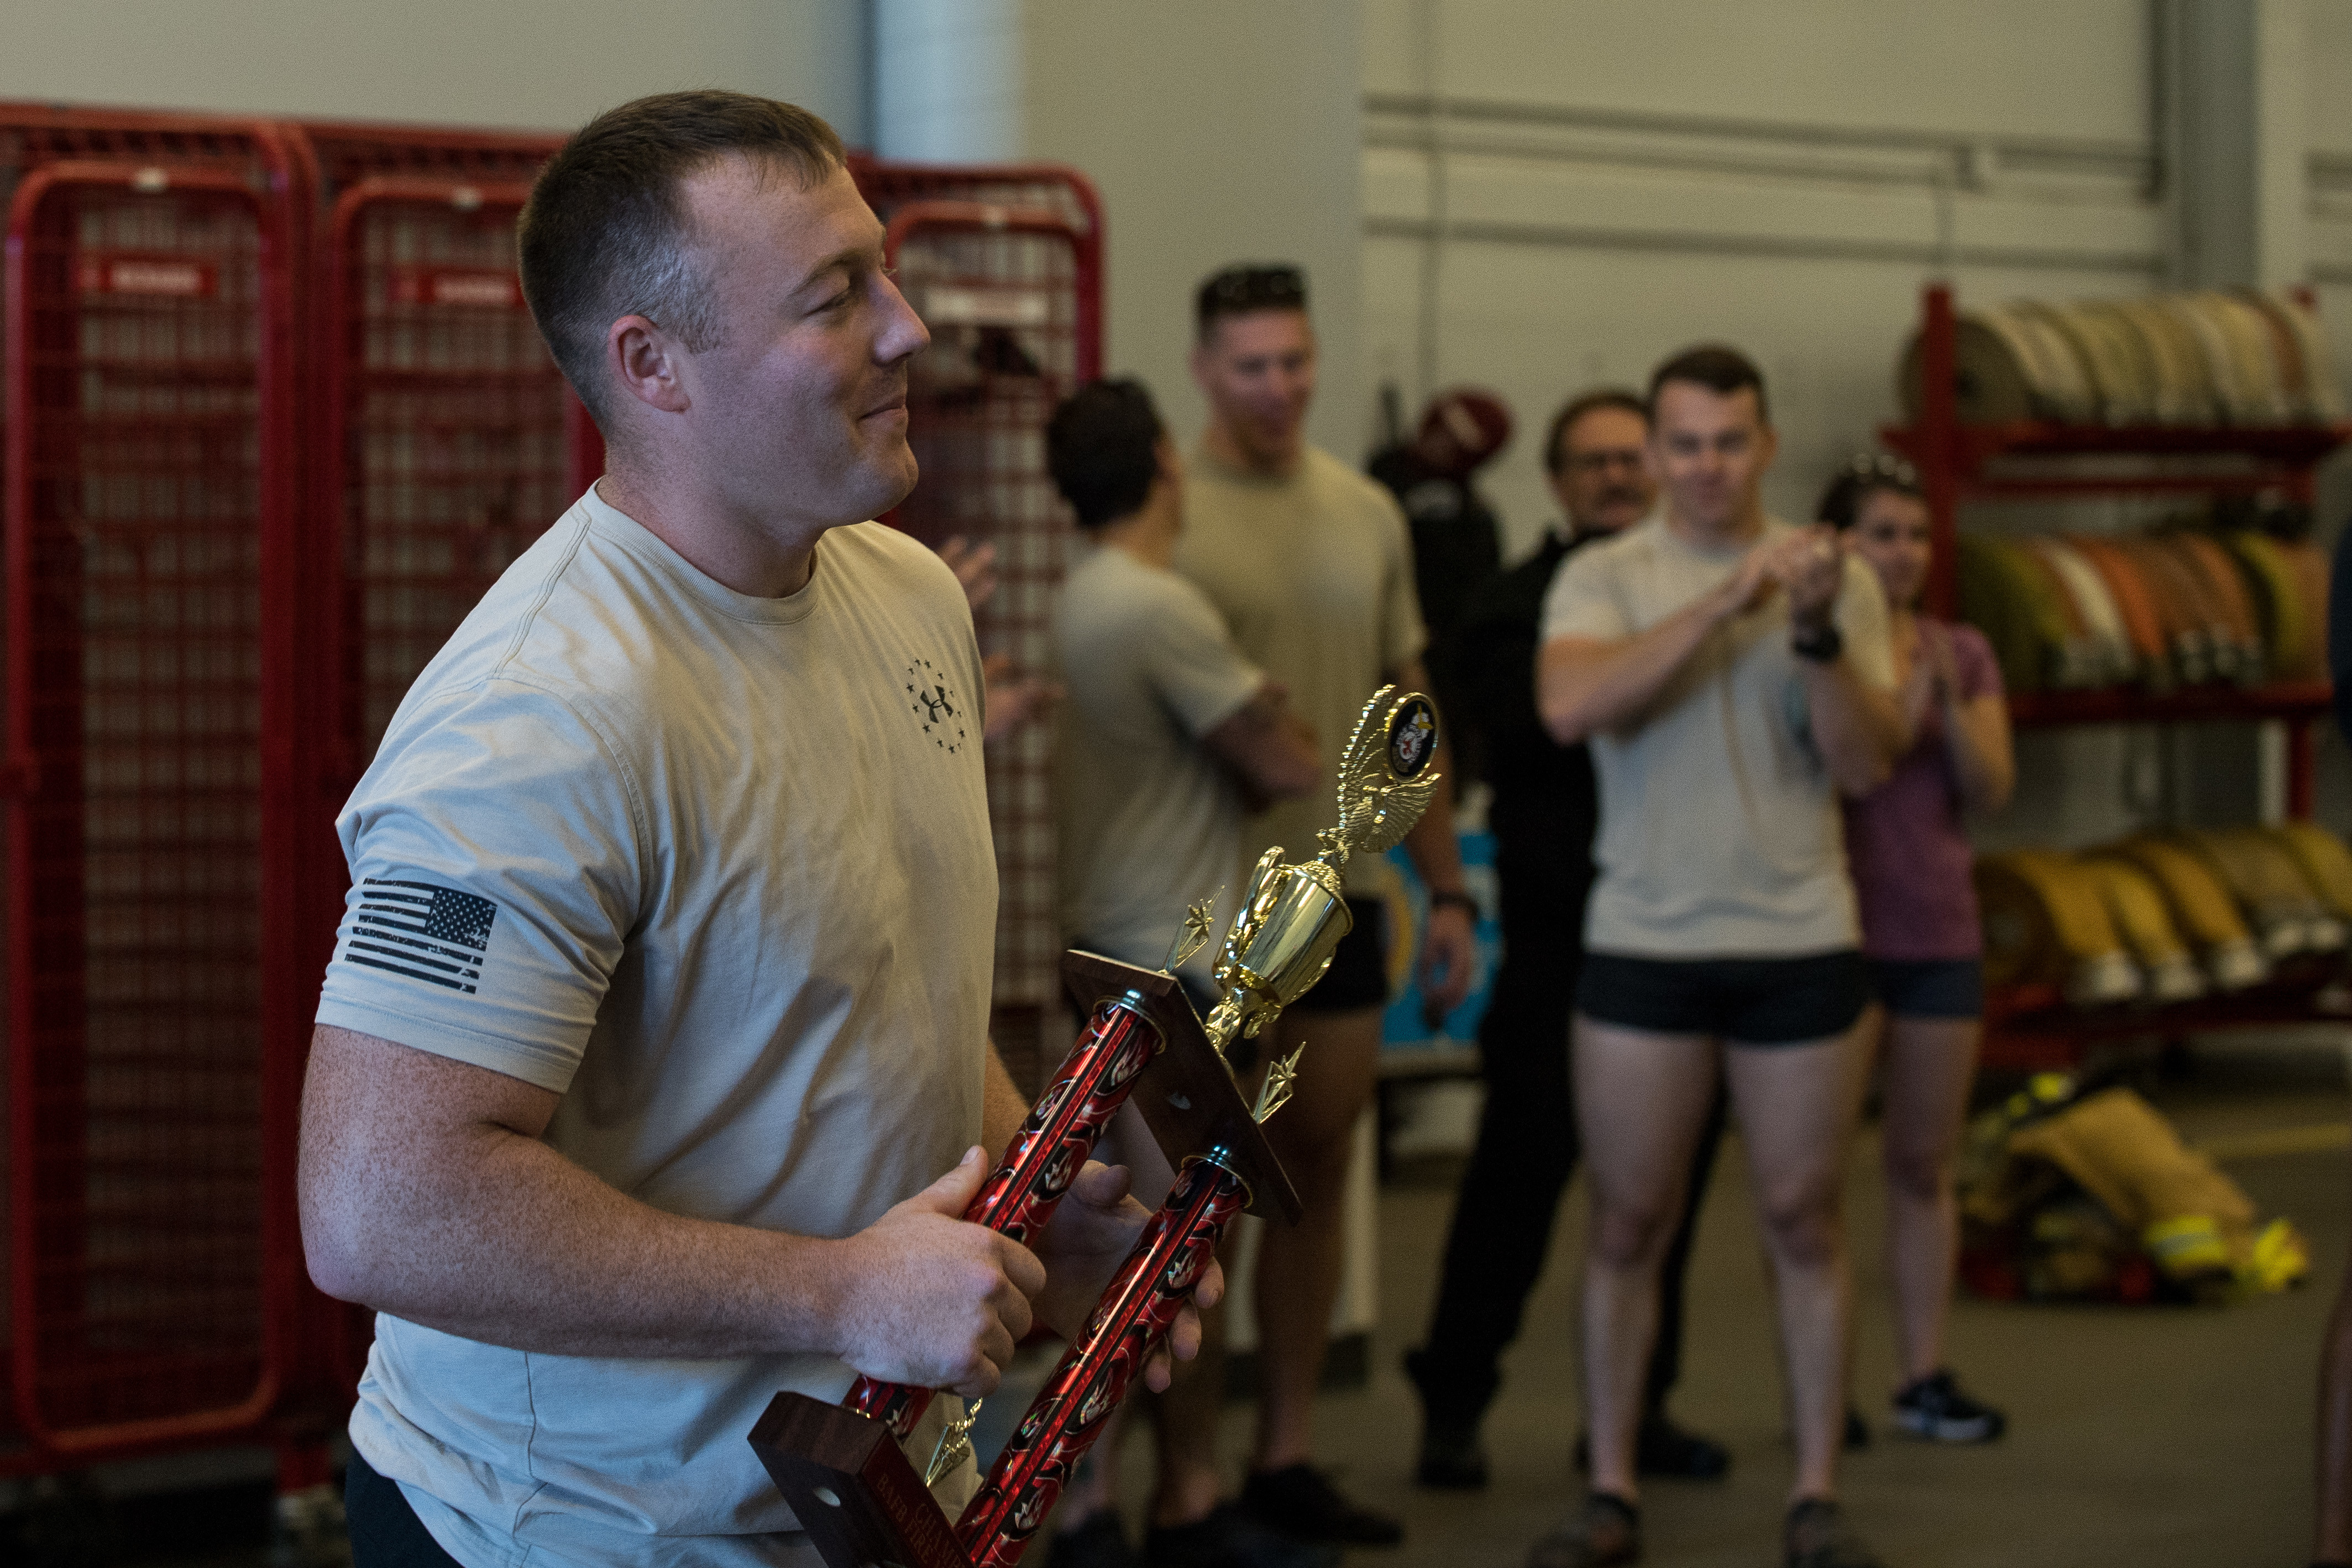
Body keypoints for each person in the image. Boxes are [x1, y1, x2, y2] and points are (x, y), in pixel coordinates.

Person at [296, 91, 1212, 1568]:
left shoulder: (905, 597)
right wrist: (838, 1289)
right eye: (833, 299)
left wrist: (1026, 1208)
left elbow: (883, 990)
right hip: (573, 1531)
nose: (908, 329)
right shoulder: (537, 715)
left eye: (884, 271)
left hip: (854, 1498)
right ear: (650, 365)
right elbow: (380, 1206)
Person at [1534, 345, 1902, 1568]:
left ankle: (1815, 1491)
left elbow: (1868, 762)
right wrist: (1724, 602)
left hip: (1800, 937)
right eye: (1680, 444)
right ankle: (1610, 1487)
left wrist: (1809, 630)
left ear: (1765, 443)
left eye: (1726, 441)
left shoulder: (1833, 579)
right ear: (1653, 453)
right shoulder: (1603, 573)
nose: (1704, 466)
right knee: (1631, 1218)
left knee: (1804, 1216)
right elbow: (1571, 706)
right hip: (1644, 941)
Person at [1172, 263, 1479, 1551]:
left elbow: (1406, 720)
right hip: (1206, 920)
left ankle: (1281, 1452)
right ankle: (1185, 1483)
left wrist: (1447, 887)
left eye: (1294, 363)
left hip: (1340, 901)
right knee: (1198, 1205)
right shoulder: (1166, 519)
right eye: (1250, 366)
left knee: (1314, 1178)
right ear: (1203, 369)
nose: (1277, 388)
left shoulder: (1363, 513)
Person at [1403, 389, 1730, 1491]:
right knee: (1515, 1186)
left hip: (1680, 942)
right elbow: (1542, 723)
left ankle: (1635, 1415)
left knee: (1663, 1198)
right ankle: (1452, 1402)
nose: (1614, 477)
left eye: (1630, 458)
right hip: (1560, 949)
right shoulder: (1510, 606)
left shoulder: (1702, 592)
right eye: (1590, 461)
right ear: (1554, 480)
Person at [1040, 376, 1327, 1568]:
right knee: (1182, 1248)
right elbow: (1289, 757)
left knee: (1142, 1233)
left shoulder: (1083, 596)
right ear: (1168, 461)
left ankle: (1113, 1495)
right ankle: (1167, 1503)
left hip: (1118, 946)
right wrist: (1277, 713)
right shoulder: (1158, 605)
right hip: (1182, 966)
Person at [1818, 454, 2014, 1445]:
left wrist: (1940, 693)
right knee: (1812, 1179)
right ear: (1839, 545)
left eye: (1915, 533)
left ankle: (1923, 1372)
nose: (1902, 552)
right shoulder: (1816, 646)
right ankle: (1822, 1387)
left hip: (1937, 930)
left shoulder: (1962, 649)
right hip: (1837, 934)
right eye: (1880, 532)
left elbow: (1992, 787)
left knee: (1922, 1162)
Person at [1366, 388, 1510, 780]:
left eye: (1455, 443)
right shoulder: (1368, 491)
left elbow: (1476, 613)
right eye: (1441, 434)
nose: (1440, 446)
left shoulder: (1472, 521)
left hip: (1433, 669)